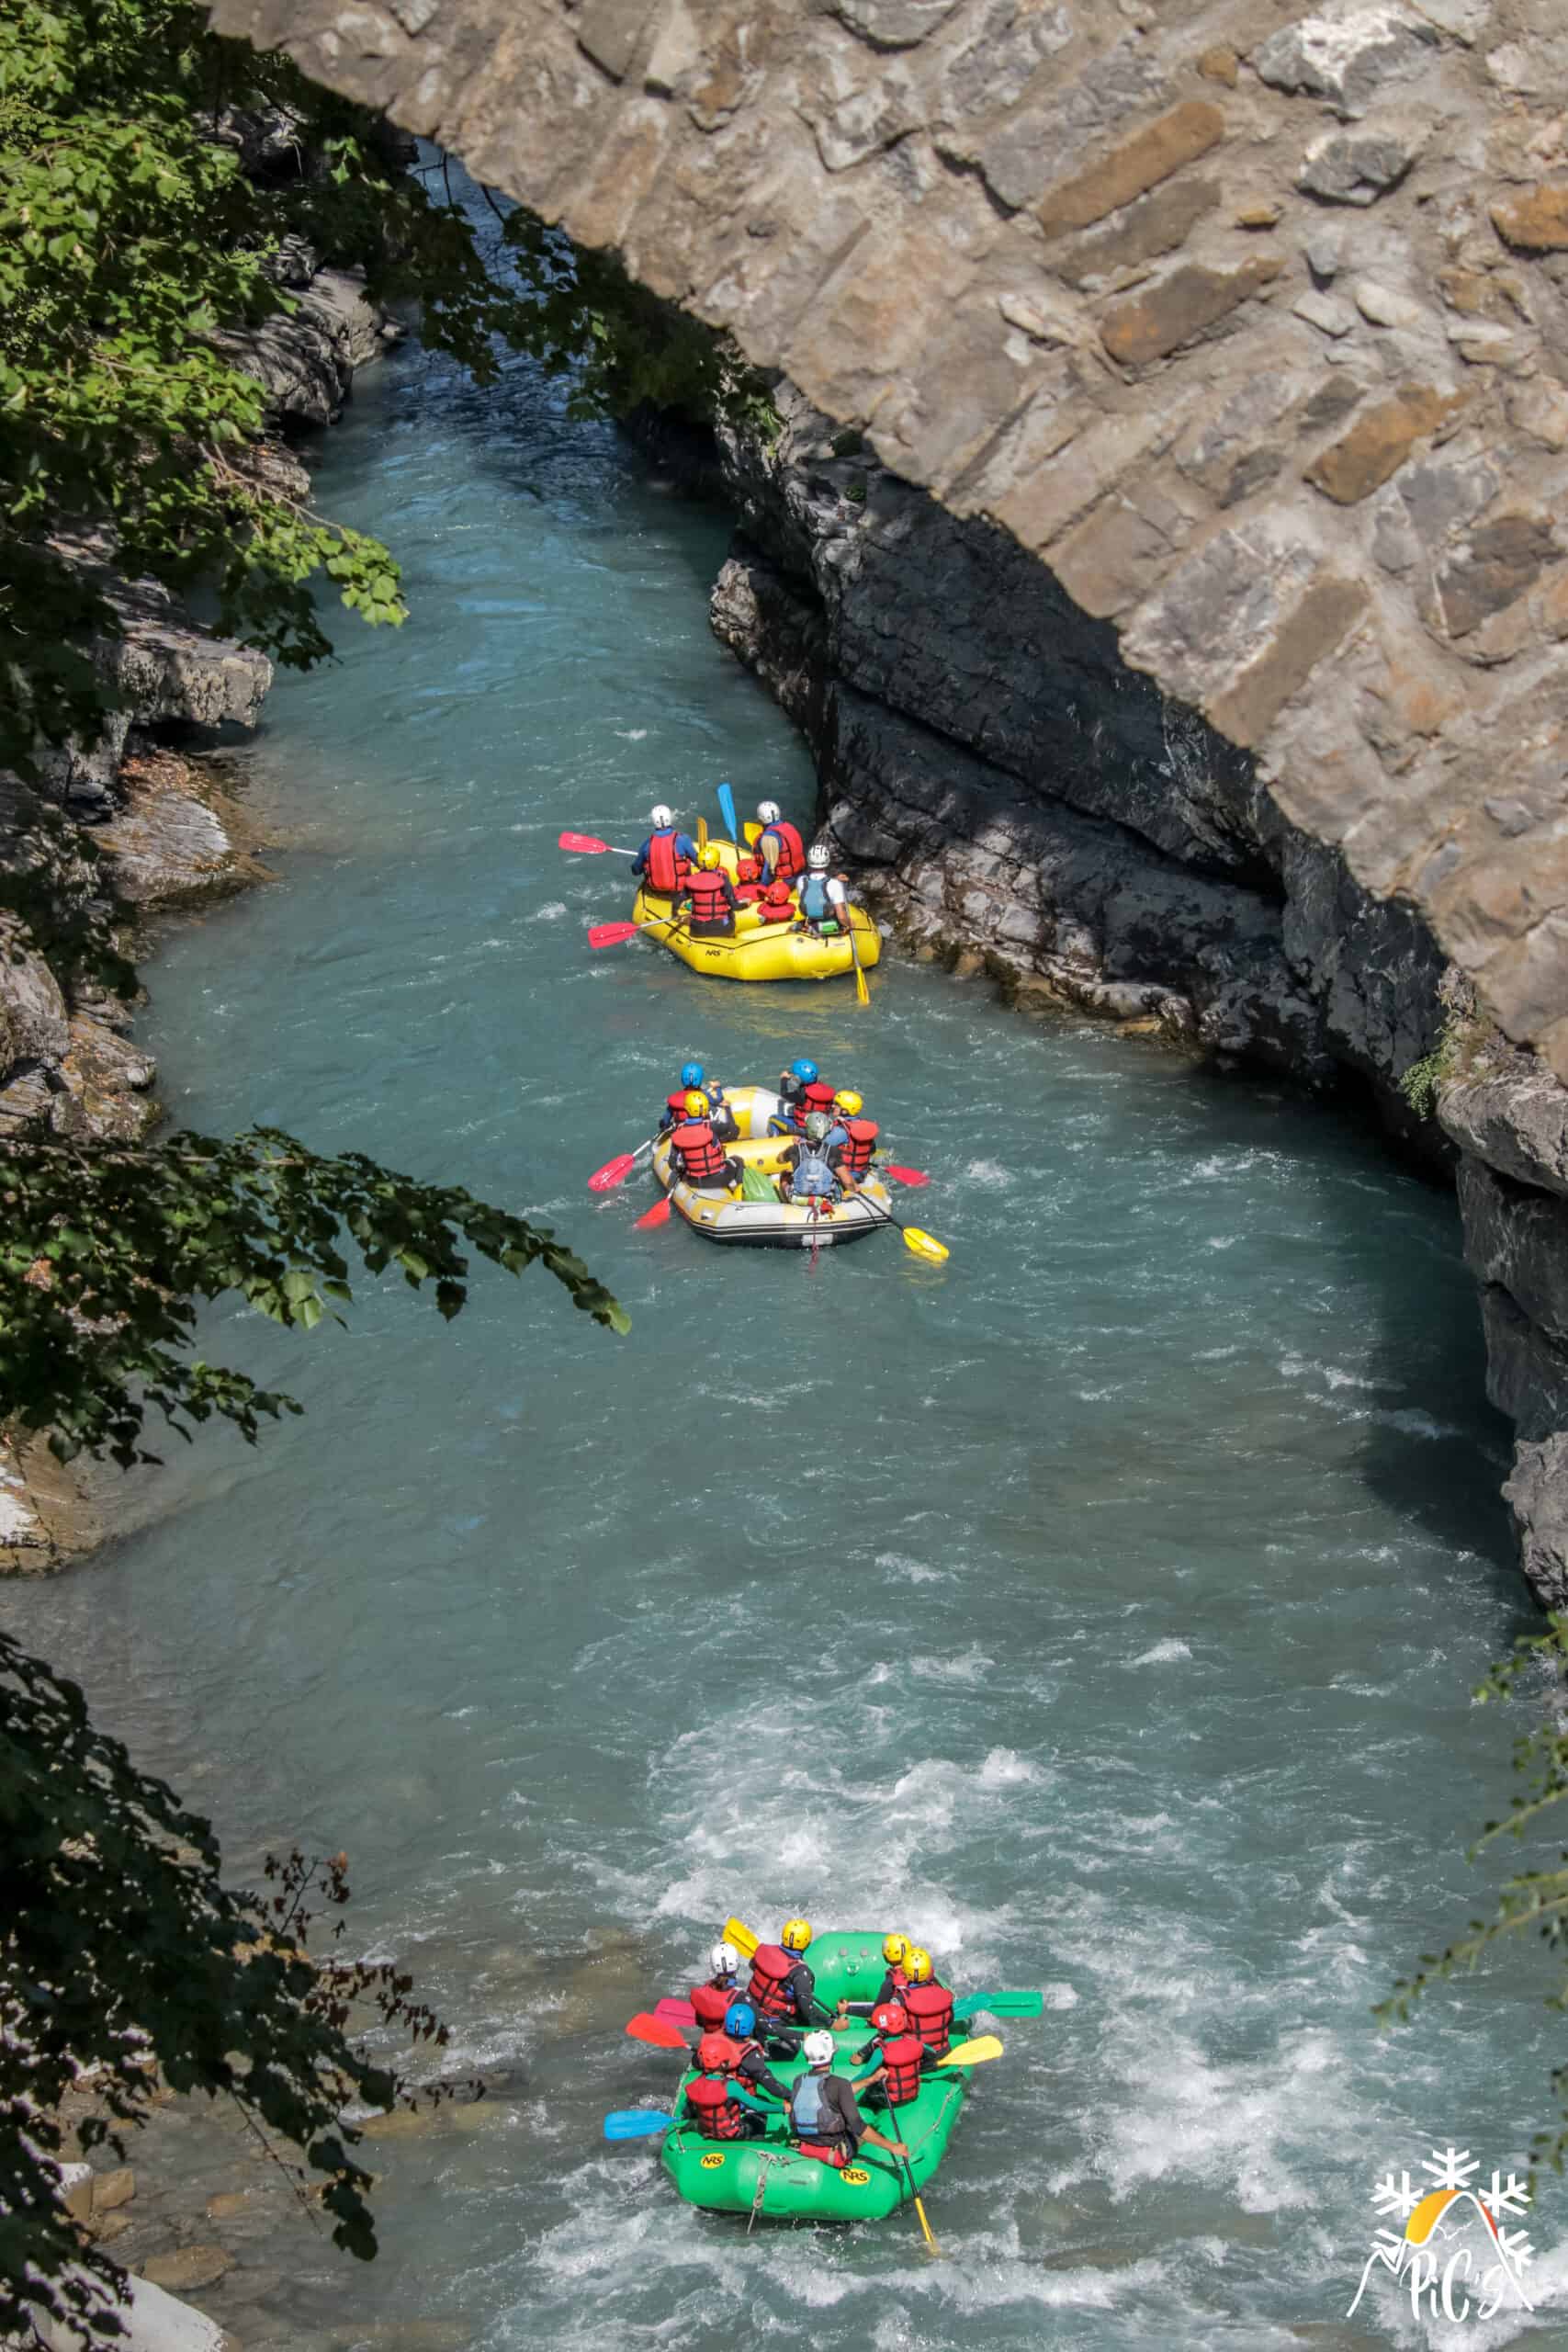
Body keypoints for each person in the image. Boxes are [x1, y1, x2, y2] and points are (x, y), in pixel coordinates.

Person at [787, 2029, 908, 2169]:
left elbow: (834, 2092)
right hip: (835, 2148)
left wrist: (871, 2080)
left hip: (804, 2144)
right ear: (832, 2054)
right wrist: (892, 2147)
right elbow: (859, 2127)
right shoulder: (840, 2084)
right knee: (868, 2131)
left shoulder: (798, 2081)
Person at [745, 1917, 829, 2035]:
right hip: (776, 2021)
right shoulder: (800, 1972)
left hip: (751, 2011)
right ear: (807, 1944)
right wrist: (830, 2022)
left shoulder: (766, 1952)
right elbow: (807, 2010)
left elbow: (752, 1965)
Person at [683, 2030, 770, 2143]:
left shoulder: (696, 2082)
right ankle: (757, 2144)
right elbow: (758, 2106)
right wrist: (783, 2108)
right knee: (757, 2117)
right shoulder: (730, 2085)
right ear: (724, 2063)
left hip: (706, 2130)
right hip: (731, 2134)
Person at [851, 2001, 931, 2112]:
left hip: (887, 2099)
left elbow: (865, 2074)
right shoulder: (916, 2043)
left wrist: (847, 2086)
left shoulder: (881, 2051)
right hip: (912, 2094)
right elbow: (932, 2054)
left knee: (867, 2089)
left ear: (882, 2030)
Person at [721, 2002, 795, 2106]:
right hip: (739, 2103)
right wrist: (791, 2096)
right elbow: (771, 2085)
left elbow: (696, 2062)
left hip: (718, 2098)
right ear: (751, 2026)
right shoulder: (750, 2054)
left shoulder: (715, 2044)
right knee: (764, 2103)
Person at [670, 1092, 741, 1192]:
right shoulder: (712, 1126)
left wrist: (682, 1170)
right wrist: (728, 1109)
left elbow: (672, 1163)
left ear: (686, 1109)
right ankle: (737, 1189)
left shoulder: (678, 1132)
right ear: (705, 1109)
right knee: (738, 1160)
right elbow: (734, 1129)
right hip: (719, 1179)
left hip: (693, 1182)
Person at [837, 1930, 911, 2023]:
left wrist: (848, 2009)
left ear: (886, 1956)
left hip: (899, 2025)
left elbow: (877, 2011)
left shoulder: (890, 1982)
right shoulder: (917, 1975)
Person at [630, 803, 697, 899]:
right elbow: (699, 862)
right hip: (680, 893)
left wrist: (645, 860)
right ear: (670, 818)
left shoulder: (647, 844)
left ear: (654, 821)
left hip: (655, 893)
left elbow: (635, 871)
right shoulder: (683, 840)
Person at [902, 1946, 956, 2057]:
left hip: (917, 2056)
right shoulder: (942, 1993)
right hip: (943, 2052)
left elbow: (895, 2028)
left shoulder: (901, 1998)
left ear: (905, 1970)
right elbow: (950, 2020)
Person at [678, 843, 740, 938]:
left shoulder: (691, 880)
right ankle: (729, 936)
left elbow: (680, 900)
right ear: (717, 863)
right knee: (731, 914)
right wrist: (746, 903)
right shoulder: (723, 878)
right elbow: (734, 905)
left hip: (697, 930)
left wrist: (687, 909)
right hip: (722, 929)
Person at [777, 1113, 840, 1207]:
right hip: (825, 1196)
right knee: (836, 1179)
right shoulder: (833, 1150)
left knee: (784, 1175)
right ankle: (824, 1201)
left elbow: (779, 1160)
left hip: (799, 1198)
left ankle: (789, 1202)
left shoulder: (794, 1149)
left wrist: (793, 1148)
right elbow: (847, 1181)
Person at [824, 1090, 880, 1187]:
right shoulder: (862, 1126)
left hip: (846, 1176)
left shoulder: (841, 1130)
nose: (833, 1106)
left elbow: (821, 1145)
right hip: (862, 1172)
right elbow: (872, 1150)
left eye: (837, 1104)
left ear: (845, 1111)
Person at [689, 1939, 745, 2031]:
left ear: (713, 1966)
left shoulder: (705, 1989)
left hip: (710, 2037)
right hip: (730, 2040)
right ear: (737, 1964)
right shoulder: (741, 1996)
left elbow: (699, 2022)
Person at [795, 844, 849, 937]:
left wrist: (835, 879)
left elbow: (814, 891)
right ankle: (817, 928)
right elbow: (841, 917)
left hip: (810, 918)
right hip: (828, 921)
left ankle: (810, 926)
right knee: (842, 921)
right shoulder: (835, 885)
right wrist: (850, 924)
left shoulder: (801, 880)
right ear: (827, 861)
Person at [755, 799, 806, 883]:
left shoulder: (769, 837)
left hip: (783, 882)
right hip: (799, 875)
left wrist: (762, 886)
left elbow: (769, 869)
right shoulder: (789, 826)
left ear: (761, 819)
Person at [768, 1057, 819, 1137]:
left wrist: (784, 1079)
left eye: (794, 1075)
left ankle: (774, 1141)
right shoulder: (826, 1092)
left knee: (772, 1119)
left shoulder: (804, 1095)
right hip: (820, 1129)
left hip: (804, 1130)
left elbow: (785, 1094)